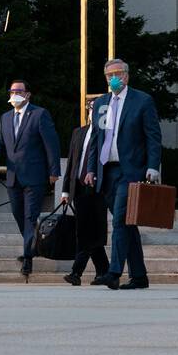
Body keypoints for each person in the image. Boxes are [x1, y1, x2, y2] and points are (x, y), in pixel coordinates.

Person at [82, 58, 162, 290]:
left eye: (117, 74)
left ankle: (114, 271)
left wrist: (153, 165)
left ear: (126, 75)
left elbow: (153, 136)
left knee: (119, 219)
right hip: (108, 171)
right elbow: (96, 138)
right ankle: (139, 276)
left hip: (132, 170)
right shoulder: (100, 104)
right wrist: (90, 168)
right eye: (109, 75)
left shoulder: (142, 101)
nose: (113, 78)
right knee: (128, 224)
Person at [0, 80, 61, 280]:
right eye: (11, 91)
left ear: (28, 94)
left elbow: (51, 144)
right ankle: (32, 245)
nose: (14, 94)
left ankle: (28, 257)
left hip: (34, 176)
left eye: (18, 91)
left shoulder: (39, 114)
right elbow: (0, 141)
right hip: (13, 176)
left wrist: (54, 171)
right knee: (18, 214)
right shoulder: (5, 117)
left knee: (30, 216)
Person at [59, 99, 109, 285]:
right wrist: (65, 190)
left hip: (97, 188)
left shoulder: (107, 134)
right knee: (89, 232)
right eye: (91, 108)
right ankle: (104, 271)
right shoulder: (78, 132)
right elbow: (72, 163)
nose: (93, 111)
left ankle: (76, 272)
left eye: (97, 109)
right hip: (78, 188)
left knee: (88, 231)